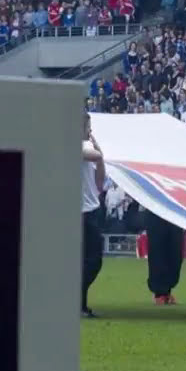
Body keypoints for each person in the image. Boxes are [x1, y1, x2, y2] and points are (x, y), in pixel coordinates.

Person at [81, 113, 107, 319]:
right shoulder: (79, 145)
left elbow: (100, 181)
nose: (90, 131)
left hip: (89, 209)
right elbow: (96, 157)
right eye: (88, 127)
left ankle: (79, 304)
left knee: (87, 261)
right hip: (83, 213)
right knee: (93, 261)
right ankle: (76, 301)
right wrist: (98, 149)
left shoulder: (84, 146)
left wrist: (100, 155)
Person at [145, 211, 185, 305]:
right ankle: (159, 293)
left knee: (176, 253)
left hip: (175, 213)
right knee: (158, 253)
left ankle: (167, 291)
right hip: (156, 211)